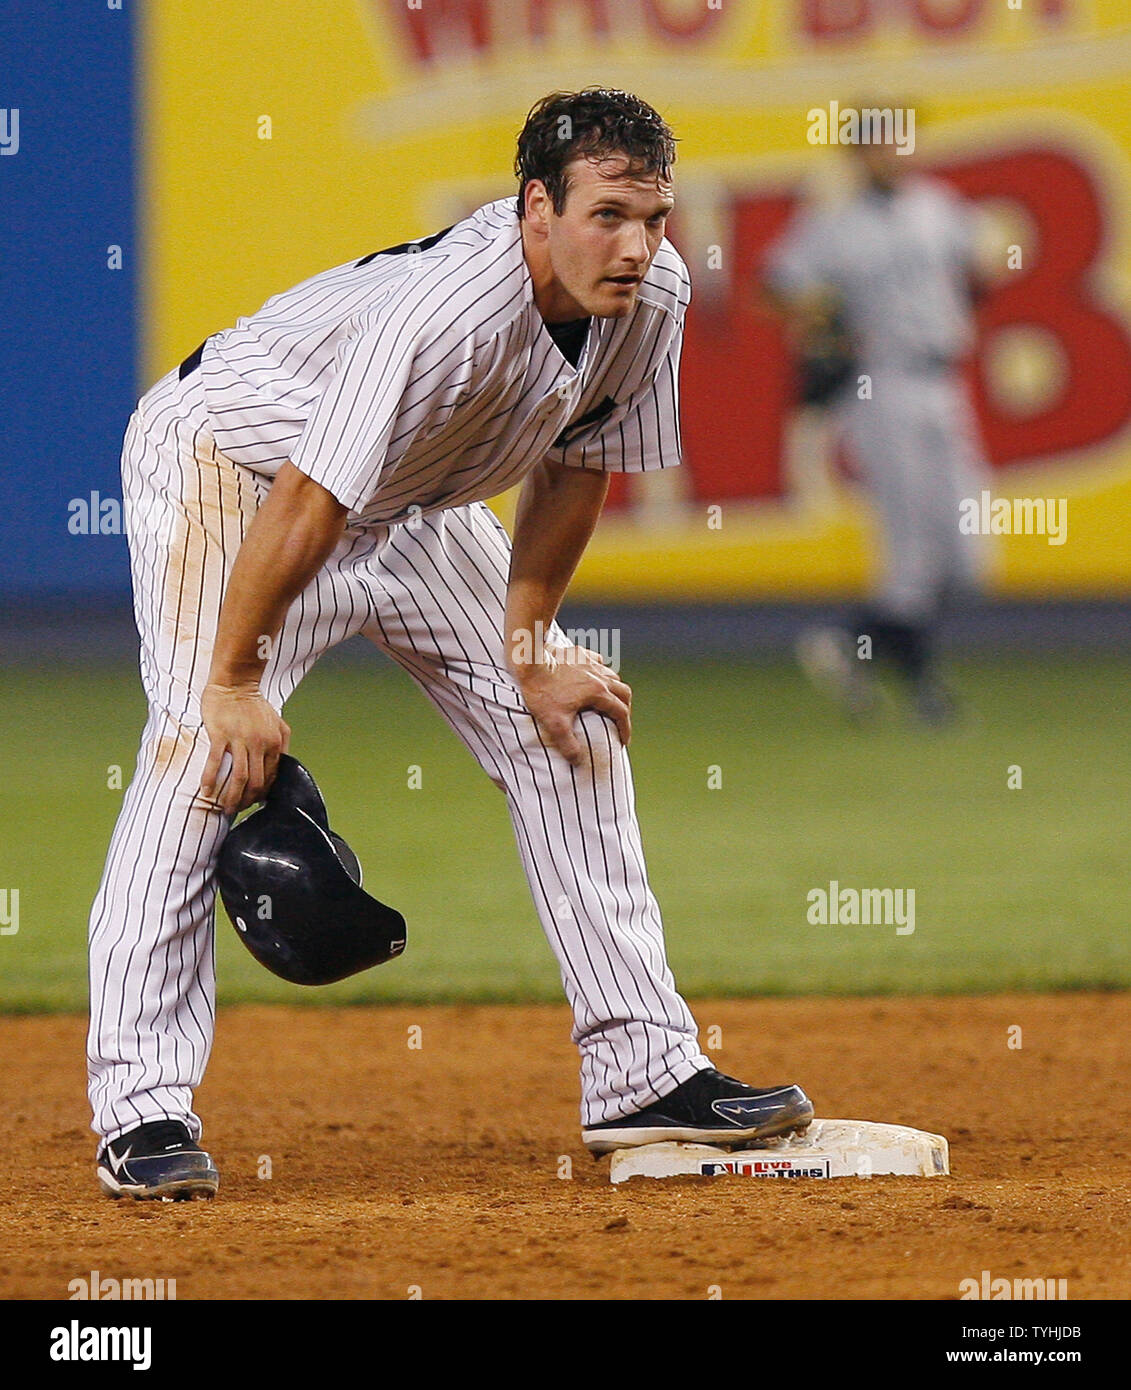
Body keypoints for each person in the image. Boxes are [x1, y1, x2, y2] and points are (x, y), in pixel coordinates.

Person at [88, 88, 813, 1200]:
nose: (637, 244)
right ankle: (142, 1113)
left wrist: (530, 646)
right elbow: (313, 498)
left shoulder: (650, 294)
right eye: (608, 214)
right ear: (536, 207)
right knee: (201, 757)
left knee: (568, 726)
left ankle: (643, 1072)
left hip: (410, 502)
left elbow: (577, 464)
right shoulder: (446, 312)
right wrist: (232, 680)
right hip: (235, 471)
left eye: (655, 216)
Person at [765, 107, 990, 724]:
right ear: (857, 155)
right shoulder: (835, 226)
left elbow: (981, 270)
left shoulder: (937, 206)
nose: (894, 150)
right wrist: (826, 333)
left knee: (971, 558)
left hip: (944, 380)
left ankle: (848, 645)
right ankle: (925, 691)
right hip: (880, 388)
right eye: (879, 143)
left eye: (898, 138)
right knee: (911, 554)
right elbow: (778, 284)